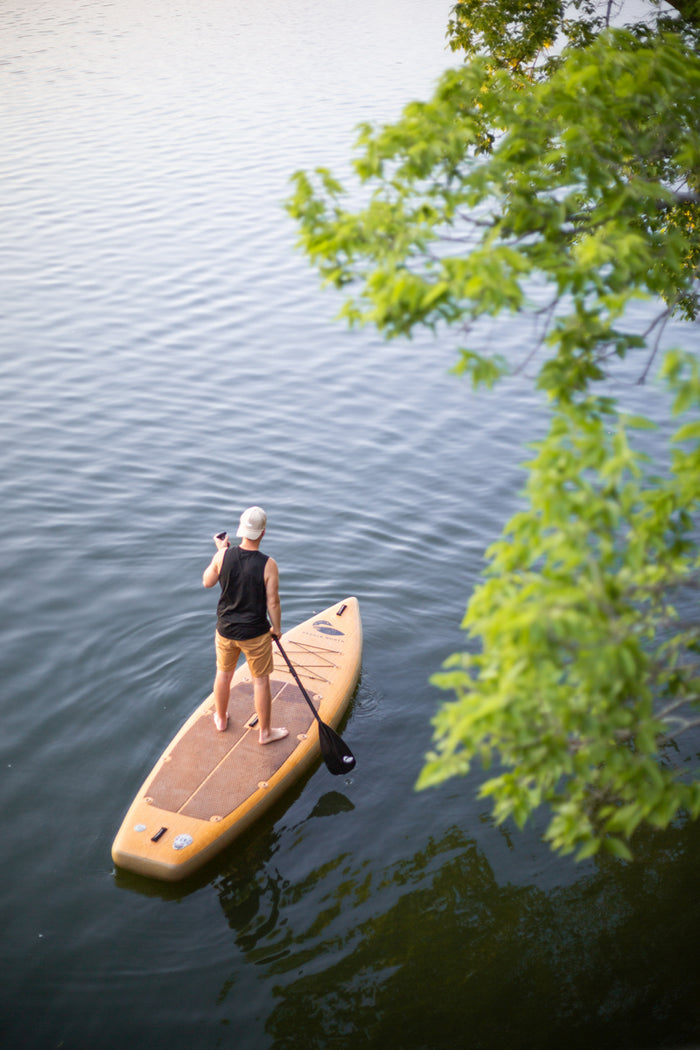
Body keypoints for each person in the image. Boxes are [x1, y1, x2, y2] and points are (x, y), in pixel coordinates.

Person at [202, 506, 288, 744]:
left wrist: (218, 554)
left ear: (241, 532)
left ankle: (220, 718)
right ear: (263, 533)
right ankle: (265, 733)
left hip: (226, 630)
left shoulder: (223, 556)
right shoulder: (268, 564)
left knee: (223, 674)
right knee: (260, 681)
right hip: (255, 634)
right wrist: (277, 629)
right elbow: (273, 602)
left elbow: (207, 582)